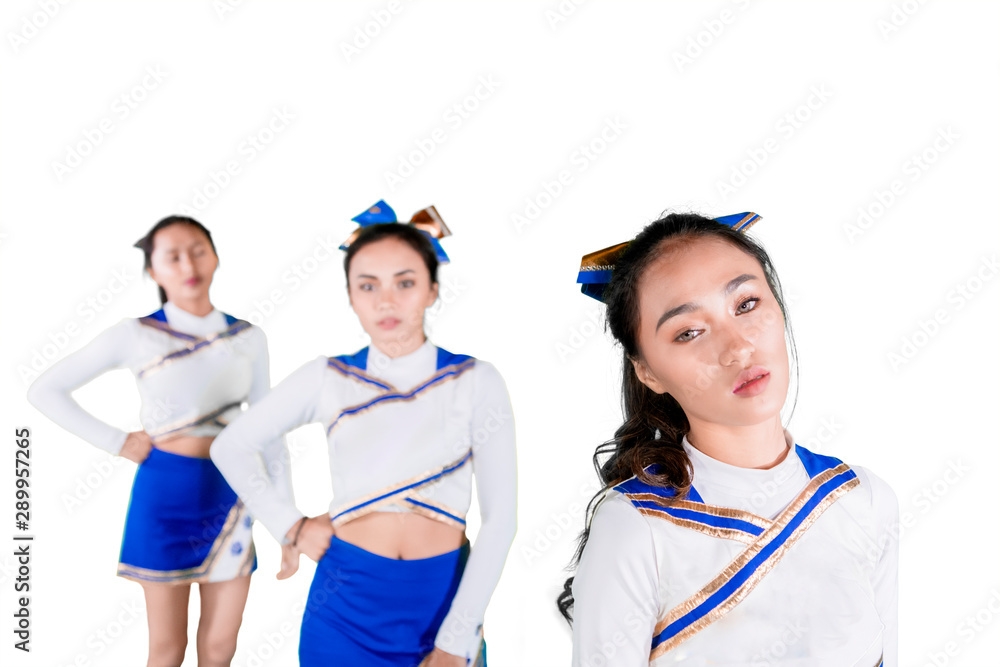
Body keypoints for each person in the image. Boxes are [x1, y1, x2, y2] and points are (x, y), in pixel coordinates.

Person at [559, 211, 898, 666]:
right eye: (689, 332)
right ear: (647, 371)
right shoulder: (635, 527)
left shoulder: (863, 498)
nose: (737, 347)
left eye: (746, 304)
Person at [210, 200, 517, 666]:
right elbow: (231, 446)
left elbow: (501, 522)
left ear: (433, 289)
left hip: (442, 605)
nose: (386, 301)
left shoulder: (477, 380)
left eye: (406, 282)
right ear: (351, 296)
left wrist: (455, 641)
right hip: (343, 610)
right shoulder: (327, 377)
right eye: (368, 286)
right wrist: (289, 527)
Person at [26, 216, 294, 667]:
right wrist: (116, 441)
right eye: (172, 256)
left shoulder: (248, 337)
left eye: (197, 250)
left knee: (219, 647)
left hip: (232, 498)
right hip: (164, 496)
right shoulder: (135, 334)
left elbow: (268, 431)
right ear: (153, 270)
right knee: (168, 649)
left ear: (215, 255)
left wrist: (286, 520)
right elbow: (43, 391)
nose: (188, 263)